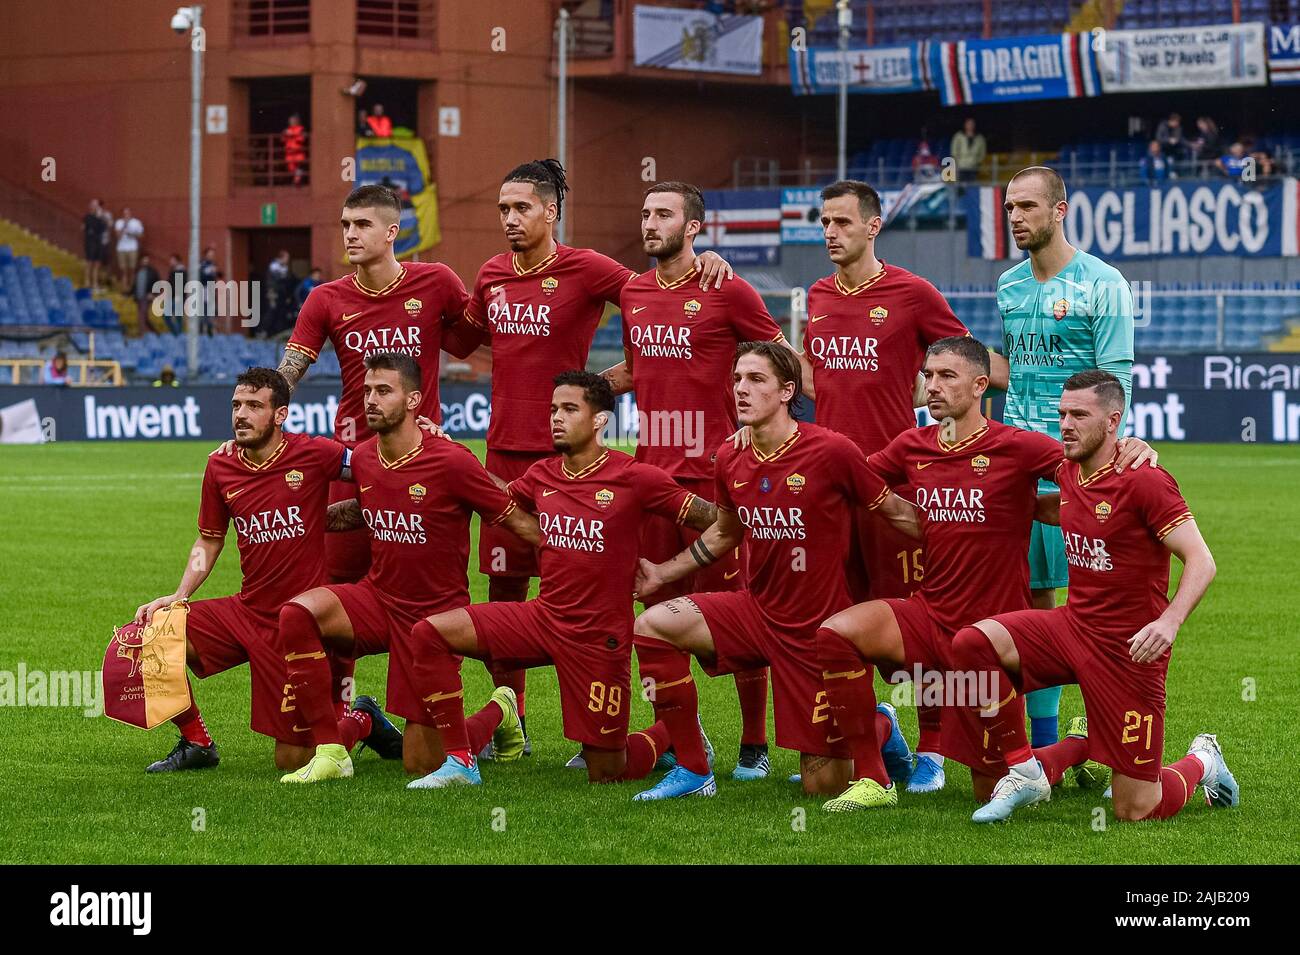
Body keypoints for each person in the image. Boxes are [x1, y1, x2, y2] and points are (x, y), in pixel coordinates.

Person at [452, 160, 730, 760]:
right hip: (503, 455)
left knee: (589, 595)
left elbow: (652, 293)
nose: (509, 219)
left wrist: (702, 263)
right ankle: (512, 723)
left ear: (552, 212)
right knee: (504, 590)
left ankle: (607, 724)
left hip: (571, 458)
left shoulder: (589, 269)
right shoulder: (491, 274)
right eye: (502, 209)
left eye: (521, 207)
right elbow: (456, 336)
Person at [814, 339, 1155, 811]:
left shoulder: (1018, 447)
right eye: (928, 375)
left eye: (946, 377)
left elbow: (1090, 474)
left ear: (980, 386)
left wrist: (1129, 446)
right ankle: (875, 780)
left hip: (993, 637)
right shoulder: (911, 446)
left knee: (989, 788)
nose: (932, 386)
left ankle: (1078, 746)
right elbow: (852, 482)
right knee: (836, 635)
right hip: (928, 614)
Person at [630, 341, 923, 801]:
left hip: (819, 633)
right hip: (755, 612)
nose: (741, 390)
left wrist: (966, 538)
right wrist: (663, 574)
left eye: (756, 380)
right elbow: (727, 532)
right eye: (737, 380)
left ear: (788, 391)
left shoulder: (832, 451)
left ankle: (880, 723)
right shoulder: (730, 457)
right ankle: (693, 768)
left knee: (821, 787)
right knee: (652, 626)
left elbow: (893, 511)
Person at [400, 371, 720, 790]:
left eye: (569, 409)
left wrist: (669, 569)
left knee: (607, 772)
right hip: (543, 619)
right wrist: (450, 449)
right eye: (553, 409)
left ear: (601, 420)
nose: (556, 418)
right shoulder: (541, 475)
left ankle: (673, 733)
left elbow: (716, 519)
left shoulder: (636, 477)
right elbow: (497, 496)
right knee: (430, 633)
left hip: (598, 638)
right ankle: (463, 759)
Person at [952, 370, 1235, 824]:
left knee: (1135, 808)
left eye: (1079, 414)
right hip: (1072, 628)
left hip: (1129, 652)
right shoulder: (1068, 471)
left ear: (1112, 421)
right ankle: (1027, 769)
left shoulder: (1146, 480)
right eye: (1062, 414)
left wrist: (1169, 622)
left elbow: (1202, 561)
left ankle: (1203, 760)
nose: (1065, 424)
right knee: (973, 644)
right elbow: (1059, 509)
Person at [275, 352, 541, 783]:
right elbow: (368, 510)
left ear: (414, 400)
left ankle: (501, 709)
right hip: (378, 599)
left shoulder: (452, 461)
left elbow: (512, 517)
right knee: (298, 614)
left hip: (435, 617)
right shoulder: (362, 457)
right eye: (366, 392)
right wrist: (301, 519)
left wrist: (574, 558)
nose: (371, 401)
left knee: (421, 761)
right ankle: (332, 748)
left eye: (384, 391)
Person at [601, 181, 786, 780]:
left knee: (736, 607)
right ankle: (685, 739)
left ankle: (755, 744)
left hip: (717, 481)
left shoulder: (726, 287)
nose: (649, 222)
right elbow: (634, 368)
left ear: (695, 227)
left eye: (663, 214)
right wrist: (571, 391)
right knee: (652, 612)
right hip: (650, 480)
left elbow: (783, 363)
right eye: (645, 211)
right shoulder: (631, 291)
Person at [131, 368, 402, 774]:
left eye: (254, 406)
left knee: (292, 759)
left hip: (299, 622)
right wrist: (179, 594)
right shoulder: (220, 466)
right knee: (150, 636)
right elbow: (209, 540)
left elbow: (374, 467)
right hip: (247, 610)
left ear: (280, 415)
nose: (241, 414)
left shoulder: (313, 453)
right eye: (237, 405)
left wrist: (421, 449)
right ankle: (198, 743)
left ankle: (362, 720)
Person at [795, 179, 970, 792]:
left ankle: (935, 750)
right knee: (834, 619)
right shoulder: (816, 296)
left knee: (914, 623)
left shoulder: (913, 293)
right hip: (825, 493)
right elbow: (815, 372)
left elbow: (964, 358)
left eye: (842, 222)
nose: (830, 233)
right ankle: (867, 735)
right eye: (824, 223)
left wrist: (939, 416)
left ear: (873, 227)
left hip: (892, 487)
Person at [275, 184, 482, 602]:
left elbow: (473, 339)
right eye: (346, 225)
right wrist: (261, 410)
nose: (350, 234)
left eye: (363, 224)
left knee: (426, 584)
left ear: (392, 232)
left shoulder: (436, 282)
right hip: (352, 456)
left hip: (422, 457)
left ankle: (428, 663)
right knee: (340, 577)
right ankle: (343, 672)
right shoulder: (325, 298)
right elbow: (291, 369)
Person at [988, 166, 1134, 750]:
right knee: (1025, 600)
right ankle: (1038, 744)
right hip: (1012, 466)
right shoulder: (1008, 285)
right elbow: (1013, 372)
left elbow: (1115, 382)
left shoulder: (1105, 284)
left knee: (1095, 606)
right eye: (1009, 208)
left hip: (1075, 467)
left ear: (1060, 210)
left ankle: (1098, 737)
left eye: (1027, 206)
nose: (1017, 218)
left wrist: (1110, 461)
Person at [115, 207, 144, 289]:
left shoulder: (136, 222)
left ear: (130, 213)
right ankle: (124, 287)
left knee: (132, 269)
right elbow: (117, 236)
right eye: (124, 213)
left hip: (132, 248)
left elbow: (141, 235)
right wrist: (124, 226)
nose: (126, 215)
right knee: (123, 270)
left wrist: (133, 234)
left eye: (127, 213)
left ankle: (131, 287)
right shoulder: (119, 222)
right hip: (121, 248)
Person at [950, 118, 986, 183]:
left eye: (972, 124)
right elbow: (954, 151)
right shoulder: (958, 136)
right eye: (968, 124)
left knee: (972, 186)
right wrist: (958, 161)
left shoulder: (979, 138)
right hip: (961, 166)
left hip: (973, 166)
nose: (970, 126)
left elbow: (982, 153)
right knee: (961, 187)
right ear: (965, 125)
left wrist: (976, 161)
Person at [132, 254, 160, 337]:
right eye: (144, 260)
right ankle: (156, 333)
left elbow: (158, 284)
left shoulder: (153, 271)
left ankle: (142, 335)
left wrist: (153, 294)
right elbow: (135, 285)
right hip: (138, 297)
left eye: (147, 261)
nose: (145, 262)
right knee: (145, 318)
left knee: (141, 316)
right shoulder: (138, 271)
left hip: (146, 297)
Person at [83, 199, 108, 291]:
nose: (95, 207)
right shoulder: (87, 217)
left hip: (99, 242)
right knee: (89, 263)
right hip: (90, 242)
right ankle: (87, 282)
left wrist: (101, 217)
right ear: (90, 206)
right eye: (93, 205)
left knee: (97, 264)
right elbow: (86, 228)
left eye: (97, 205)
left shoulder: (101, 217)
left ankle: (95, 283)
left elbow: (104, 228)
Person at [163, 253, 186, 335]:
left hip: (178, 298)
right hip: (171, 297)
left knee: (178, 317)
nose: (170, 262)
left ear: (177, 261)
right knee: (166, 316)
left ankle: (178, 334)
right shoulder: (172, 271)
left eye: (172, 260)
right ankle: (176, 333)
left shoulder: (181, 271)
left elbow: (182, 286)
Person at [282, 113, 307, 186]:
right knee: (291, 169)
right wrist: (285, 134)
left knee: (299, 167)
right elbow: (283, 139)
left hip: (298, 152)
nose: (291, 122)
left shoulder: (300, 129)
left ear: (297, 121)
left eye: (293, 120)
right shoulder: (287, 130)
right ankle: (296, 180)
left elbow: (302, 138)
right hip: (289, 154)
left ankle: (297, 181)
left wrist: (293, 134)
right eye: (290, 121)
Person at [199, 246, 219, 335]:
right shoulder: (202, 264)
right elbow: (200, 276)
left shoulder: (213, 264)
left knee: (210, 312)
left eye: (213, 255)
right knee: (203, 312)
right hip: (203, 290)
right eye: (210, 254)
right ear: (205, 255)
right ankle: (202, 331)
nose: (211, 256)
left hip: (211, 290)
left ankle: (210, 332)